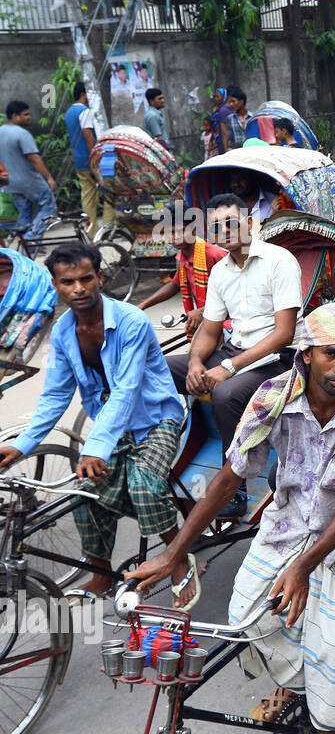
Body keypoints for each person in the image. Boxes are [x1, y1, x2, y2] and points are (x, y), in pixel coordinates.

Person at [128, 302, 335, 734]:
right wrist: (176, 551)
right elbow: (229, 478)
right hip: (285, 526)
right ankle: (310, 684)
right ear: (305, 356)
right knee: (246, 618)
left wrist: (304, 567)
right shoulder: (270, 399)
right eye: (332, 354)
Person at [0, 242, 195, 607]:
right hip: (113, 425)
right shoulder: (61, 332)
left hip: (157, 417)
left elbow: (125, 391)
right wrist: (23, 444)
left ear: (100, 277)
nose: (78, 289)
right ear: (56, 285)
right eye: (68, 282)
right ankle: (102, 573)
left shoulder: (131, 322)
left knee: (145, 486)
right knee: (84, 491)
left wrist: (93, 448)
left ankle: (179, 557)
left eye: (86, 279)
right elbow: (56, 396)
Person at [167, 193, 301, 519]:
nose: (224, 231)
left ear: (249, 222)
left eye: (231, 222)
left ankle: (235, 489)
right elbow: (210, 331)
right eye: (216, 226)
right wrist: (197, 362)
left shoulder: (279, 260)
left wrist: (228, 367)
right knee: (164, 367)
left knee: (226, 393)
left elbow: (284, 332)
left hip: (277, 358)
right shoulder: (220, 272)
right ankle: (166, 452)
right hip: (234, 351)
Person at [138, 200, 229, 335]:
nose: (176, 237)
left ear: (193, 229)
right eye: (171, 232)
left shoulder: (213, 255)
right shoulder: (184, 256)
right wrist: (142, 305)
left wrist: (202, 311)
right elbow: (175, 285)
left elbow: (234, 294)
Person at [0, 101, 58, 242]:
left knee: (24, 214)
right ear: (15, 116)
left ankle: (26, 243)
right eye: (25, 114)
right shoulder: (22, 134)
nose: (29, 117)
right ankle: (32, 237)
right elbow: (34, 158)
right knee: (49, 206)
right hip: (30, 181)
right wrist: (49, 178)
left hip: (11, 183)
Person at [64, 83, 113, 240]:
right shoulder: (84, 112)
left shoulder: (69, 112)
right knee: (110, 192)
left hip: (79, 160)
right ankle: (107, 228)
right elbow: (87, 134)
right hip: (90, 159)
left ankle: (91, 229)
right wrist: (95, 159)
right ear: (84, 94)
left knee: (88, 195)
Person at [141, 87, 171, 151]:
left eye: (163, 98)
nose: (162, 100)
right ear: (151, 101)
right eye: (159, 99)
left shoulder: (152, 114)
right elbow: (159, 139)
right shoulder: (153, 116)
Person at [210, 88, 234, 155]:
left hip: (224, 141)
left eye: (218, 96)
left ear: (224, 97)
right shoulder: (217, 110)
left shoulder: (224, 111)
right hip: (218, 140)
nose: (216, 99)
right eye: (215, 96)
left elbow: (225, 131)